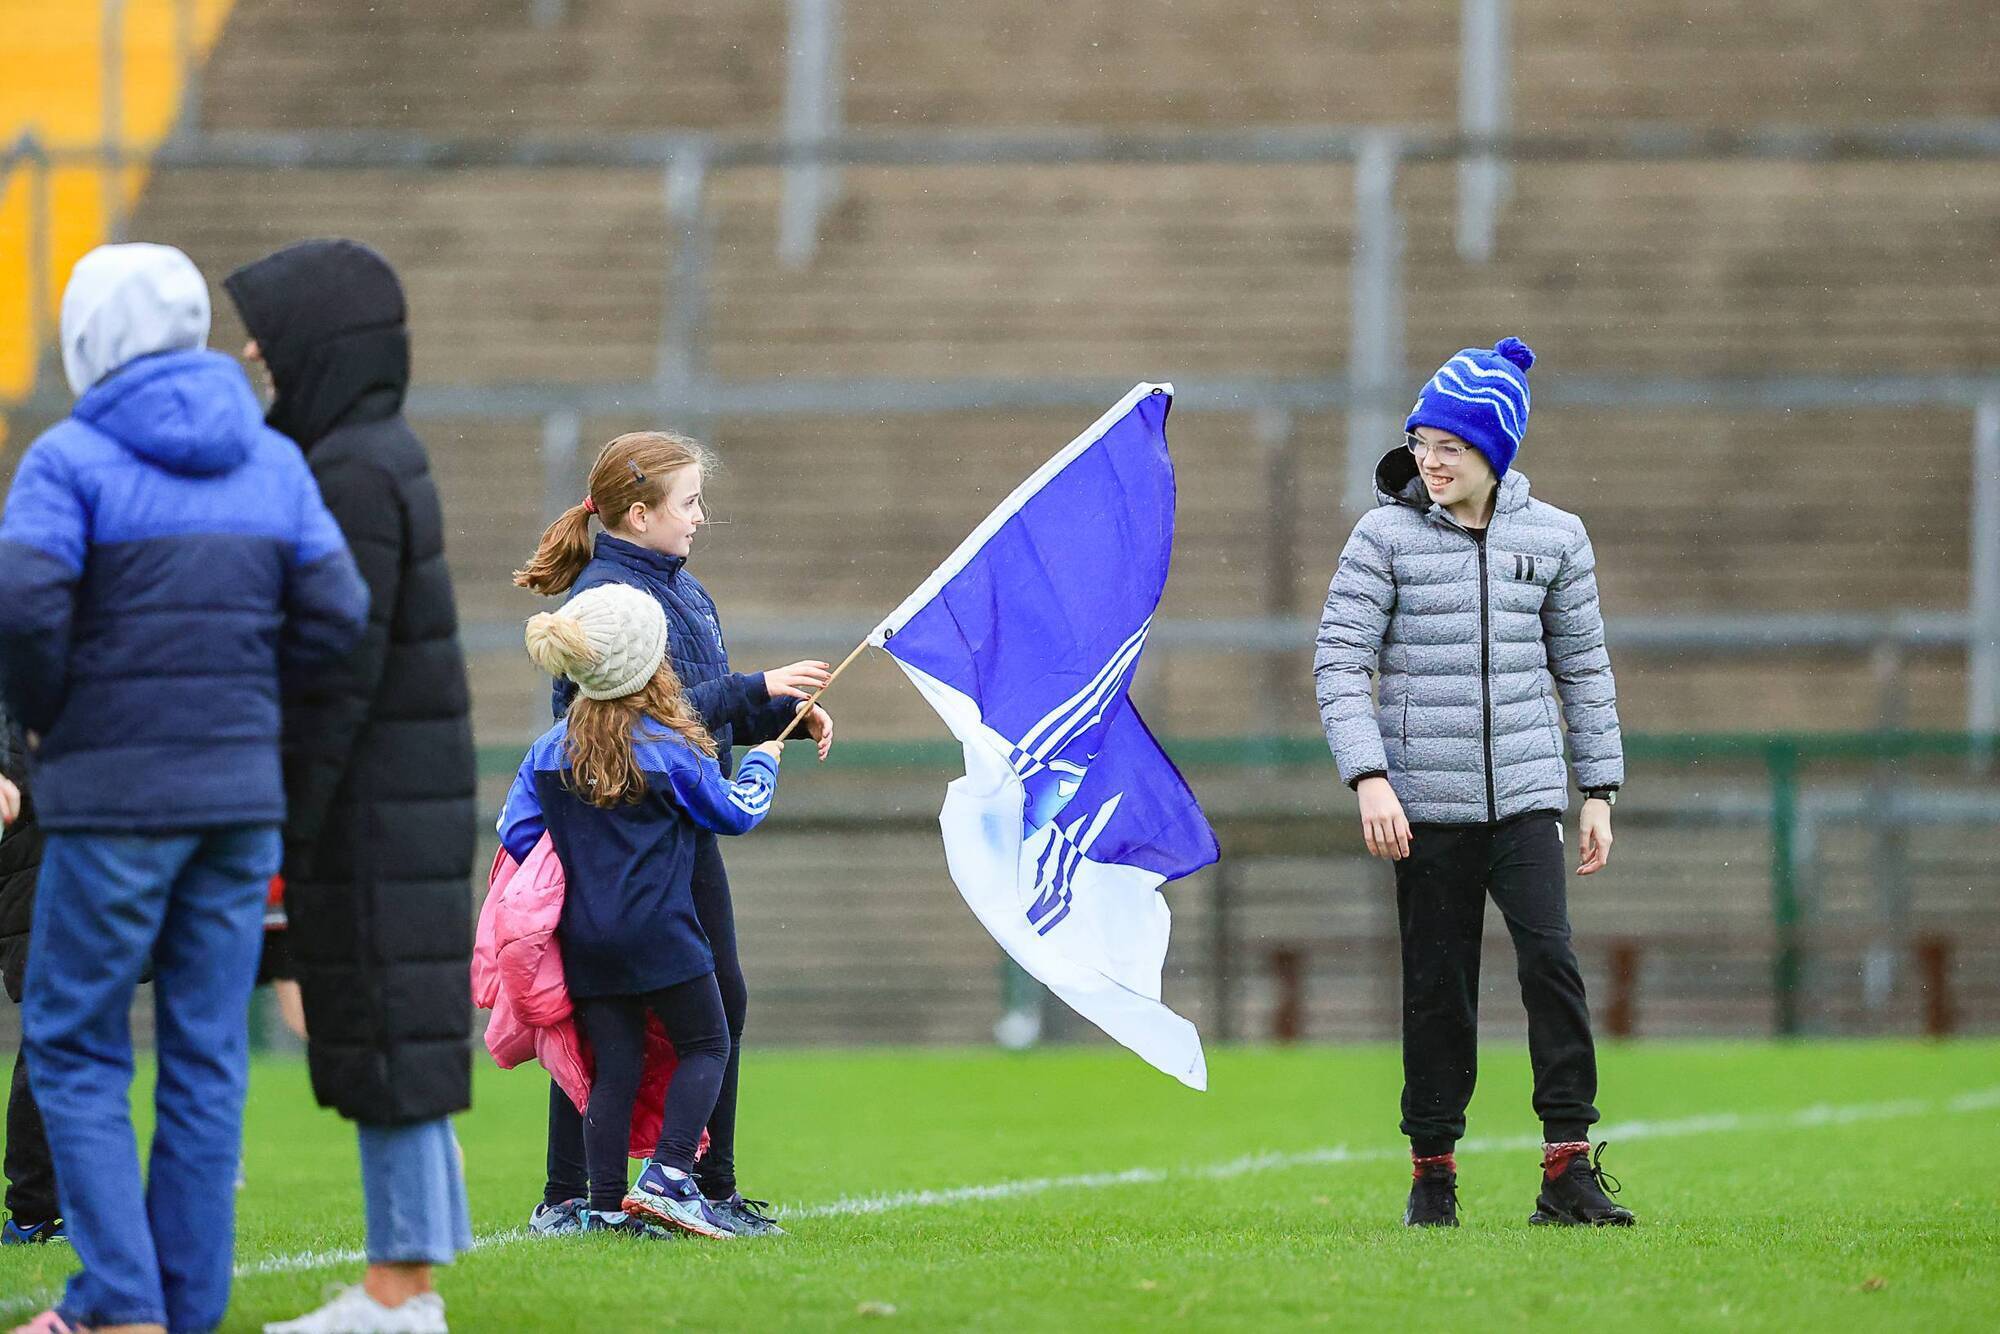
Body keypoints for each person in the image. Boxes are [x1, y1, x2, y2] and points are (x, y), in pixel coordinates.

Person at [0, 242, 368, 1334]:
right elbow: (337, 613)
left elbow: (22, 608)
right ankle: (185, 1306)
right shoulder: (270, 460)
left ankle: (120, 1300)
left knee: (74, 1043)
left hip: (113, 796)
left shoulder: (67, 459)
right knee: (207, 1056)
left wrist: (54, 711)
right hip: (239, 799)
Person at [1313, 336, 1635, 1229]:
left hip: (1528, 802)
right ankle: (1434, 1177)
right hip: (1426, 809)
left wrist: (1596, 788)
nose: (1430, 460)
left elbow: (1585, 669)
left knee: (1552, 968)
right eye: (1421, 443)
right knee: (1437, 989)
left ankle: (1567, 1171)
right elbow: (1340, 661)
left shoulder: (1557, 537)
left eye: (1449, 446)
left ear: (1495, 448)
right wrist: (1370, 777)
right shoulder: (1382, 536)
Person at [223, 240, 477, 1334]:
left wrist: (289, 808)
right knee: (392, 1034)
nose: (248, 350)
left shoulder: (354, 471)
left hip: (372, 808)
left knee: (385, 1038)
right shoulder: (368, 455)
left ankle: (398, 1291)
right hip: (390, 800)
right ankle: (407, 1279)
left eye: (268, 333)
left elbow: (339, 664)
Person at [512, 430, 831, 1237]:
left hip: (674, 826)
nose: (699, 517)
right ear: (642, 511)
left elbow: (686, 706)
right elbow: (617, 716)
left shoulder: (680, 589)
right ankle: (596, 1192)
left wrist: (774, 717)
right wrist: (750, 690)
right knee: (628, 1024)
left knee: (678, 1011)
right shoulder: (610, 594)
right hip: (642, 837)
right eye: (689, 503)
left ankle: (679, 1186)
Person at [498, 584, 785, 1238]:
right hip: (663, 934)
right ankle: (669, 1175)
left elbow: (517, 832)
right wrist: (765, 763)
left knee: (614, 1067)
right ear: (649, 662)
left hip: (584, 939)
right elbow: (735, 813)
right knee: (707, 1043)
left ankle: (601, 1208)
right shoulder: (670, 747)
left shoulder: (548, 750)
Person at [1, 701, 60, 1248]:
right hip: (38, 864)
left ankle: (41, 1209)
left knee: (64, 1031)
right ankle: (33, 1213)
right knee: (54, 1032)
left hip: (58, 855)